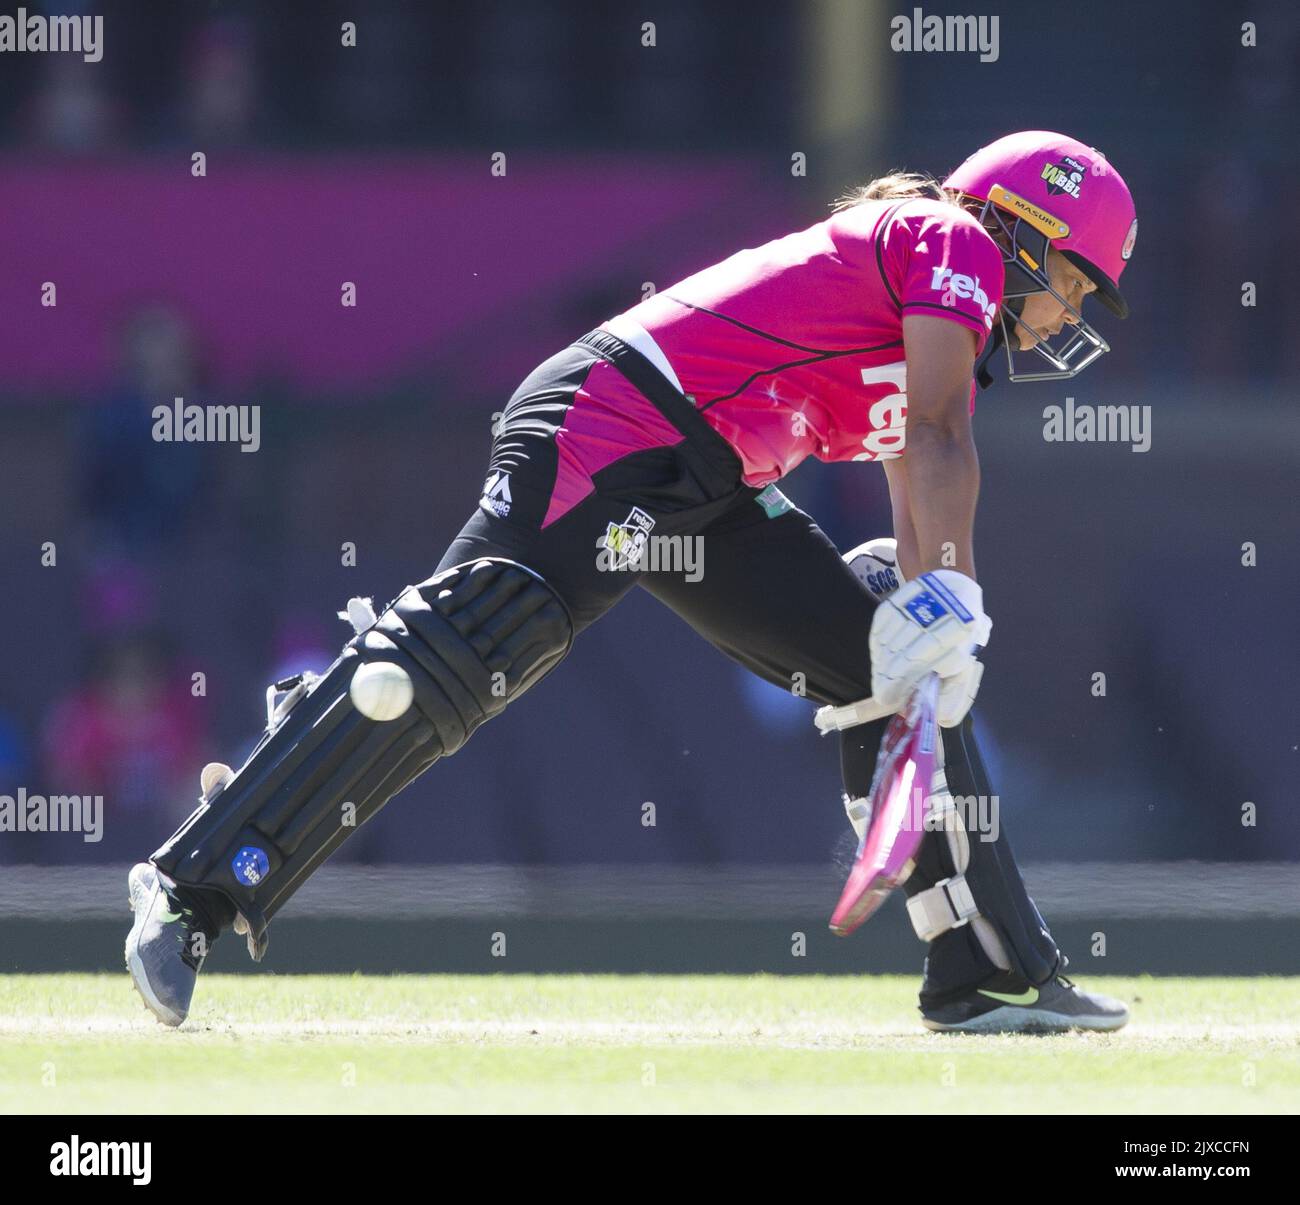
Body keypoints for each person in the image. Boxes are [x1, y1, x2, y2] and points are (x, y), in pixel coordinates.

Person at [127, 130, 1138, 1033]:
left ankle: (990, 971)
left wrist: (934, 620)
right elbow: (937, 436)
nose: (1067, 316)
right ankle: (191, 891)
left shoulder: (941, 321)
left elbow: (912, 466)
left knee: (883, 661)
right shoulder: (947, 240)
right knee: (470, 646)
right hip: (615, 416)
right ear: (1019, 228)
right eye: (1074, 281)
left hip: (712, 481)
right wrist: (956, 589)